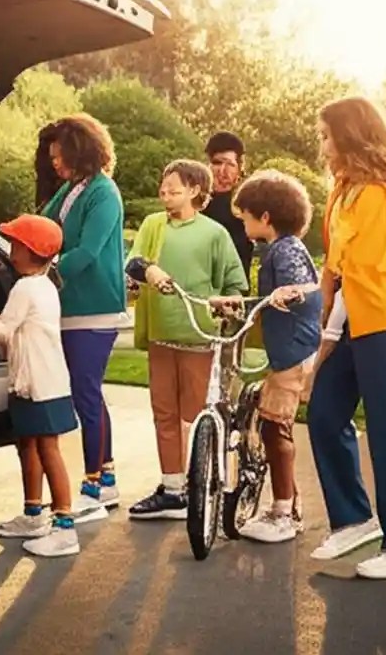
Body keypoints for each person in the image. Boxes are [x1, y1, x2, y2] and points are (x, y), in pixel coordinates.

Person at [306, 95, 386, 579]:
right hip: (354, 318)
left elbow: (360, 274)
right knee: (324, 413)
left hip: (384, 321)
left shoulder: (379, 195)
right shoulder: (344, 192)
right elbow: (335, 268)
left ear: (350, 136)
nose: (321, 145)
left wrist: (326, 339)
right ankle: (354, 518)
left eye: (326, 135)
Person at [124, 160, 249, 519]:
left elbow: (235, 285)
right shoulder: (152, 225)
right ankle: (173, 489)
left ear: (195, 191)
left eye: (174, 190)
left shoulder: (214, 234)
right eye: (163, 189)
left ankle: (199, 488)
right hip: (161, 335)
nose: (165, 195)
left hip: (198, 336)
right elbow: (132, 263)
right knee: (163, 413)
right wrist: (149, 269)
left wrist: (226, 303)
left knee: (194, 416)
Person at [209, 169, 323, 542]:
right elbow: (270, 303)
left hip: (294, 352)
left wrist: (290, 293)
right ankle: (289, 504)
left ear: (266, 218)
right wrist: (241, 305)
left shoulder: (285, 250)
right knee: (271, 422)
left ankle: (283, 513)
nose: (242, 223)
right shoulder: (276, 249)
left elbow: (304, 289)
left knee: (275, 427)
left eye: (245, 217)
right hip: (290, 349)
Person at [38, 115, 129, 522]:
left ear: (81, 149)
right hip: (70, 306)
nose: (55, 162)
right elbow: (46, 229)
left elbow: (89, 250)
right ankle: (103, 475)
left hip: (94, 307)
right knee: (83, 393)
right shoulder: (72, 190)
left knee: (86, 393)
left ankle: (99, 483)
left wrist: (45, 275)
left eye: (60, 154)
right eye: (53, 156)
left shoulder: (104, 193)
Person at [0, 214, 81, 557]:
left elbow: (5, 333)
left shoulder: (26, 288)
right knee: (29, 445)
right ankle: (33, 513)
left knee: (46, 449)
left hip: (38, 385)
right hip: (39, 382)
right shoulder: (45, 285)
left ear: (28, 250)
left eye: (15, 244)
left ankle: (65, 527)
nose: (10, 249)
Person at [203, 131, 254, 288]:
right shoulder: (197, 201)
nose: (222, 170)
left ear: (239, 167)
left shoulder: (248, 202)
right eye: (217, 162)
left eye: (230, 164)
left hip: (234, 288)